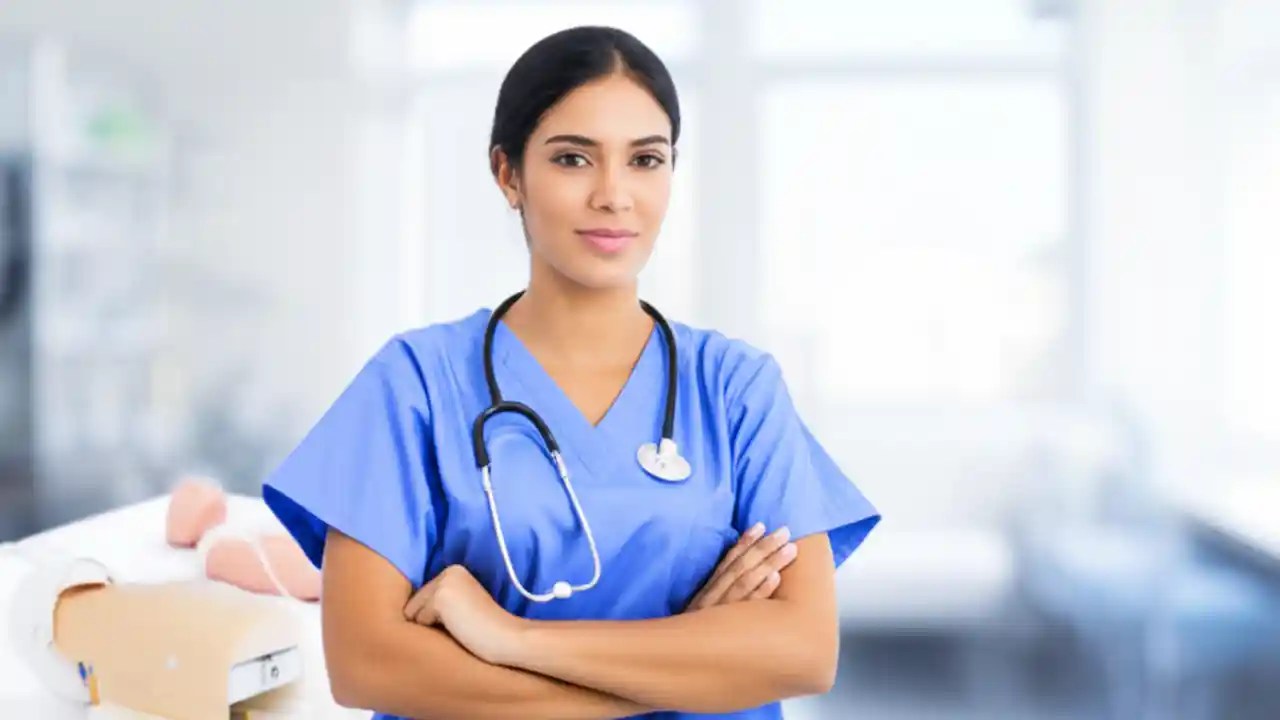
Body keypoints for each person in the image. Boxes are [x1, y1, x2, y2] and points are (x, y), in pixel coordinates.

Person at [263, 25, 879, 720]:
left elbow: (801, 652)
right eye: (573, 159)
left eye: (646, 160)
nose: (614, 195)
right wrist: (680, 664)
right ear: (508, 174)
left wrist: (510, 638)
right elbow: (366, 665)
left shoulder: (736, 390)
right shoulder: (415, 384)